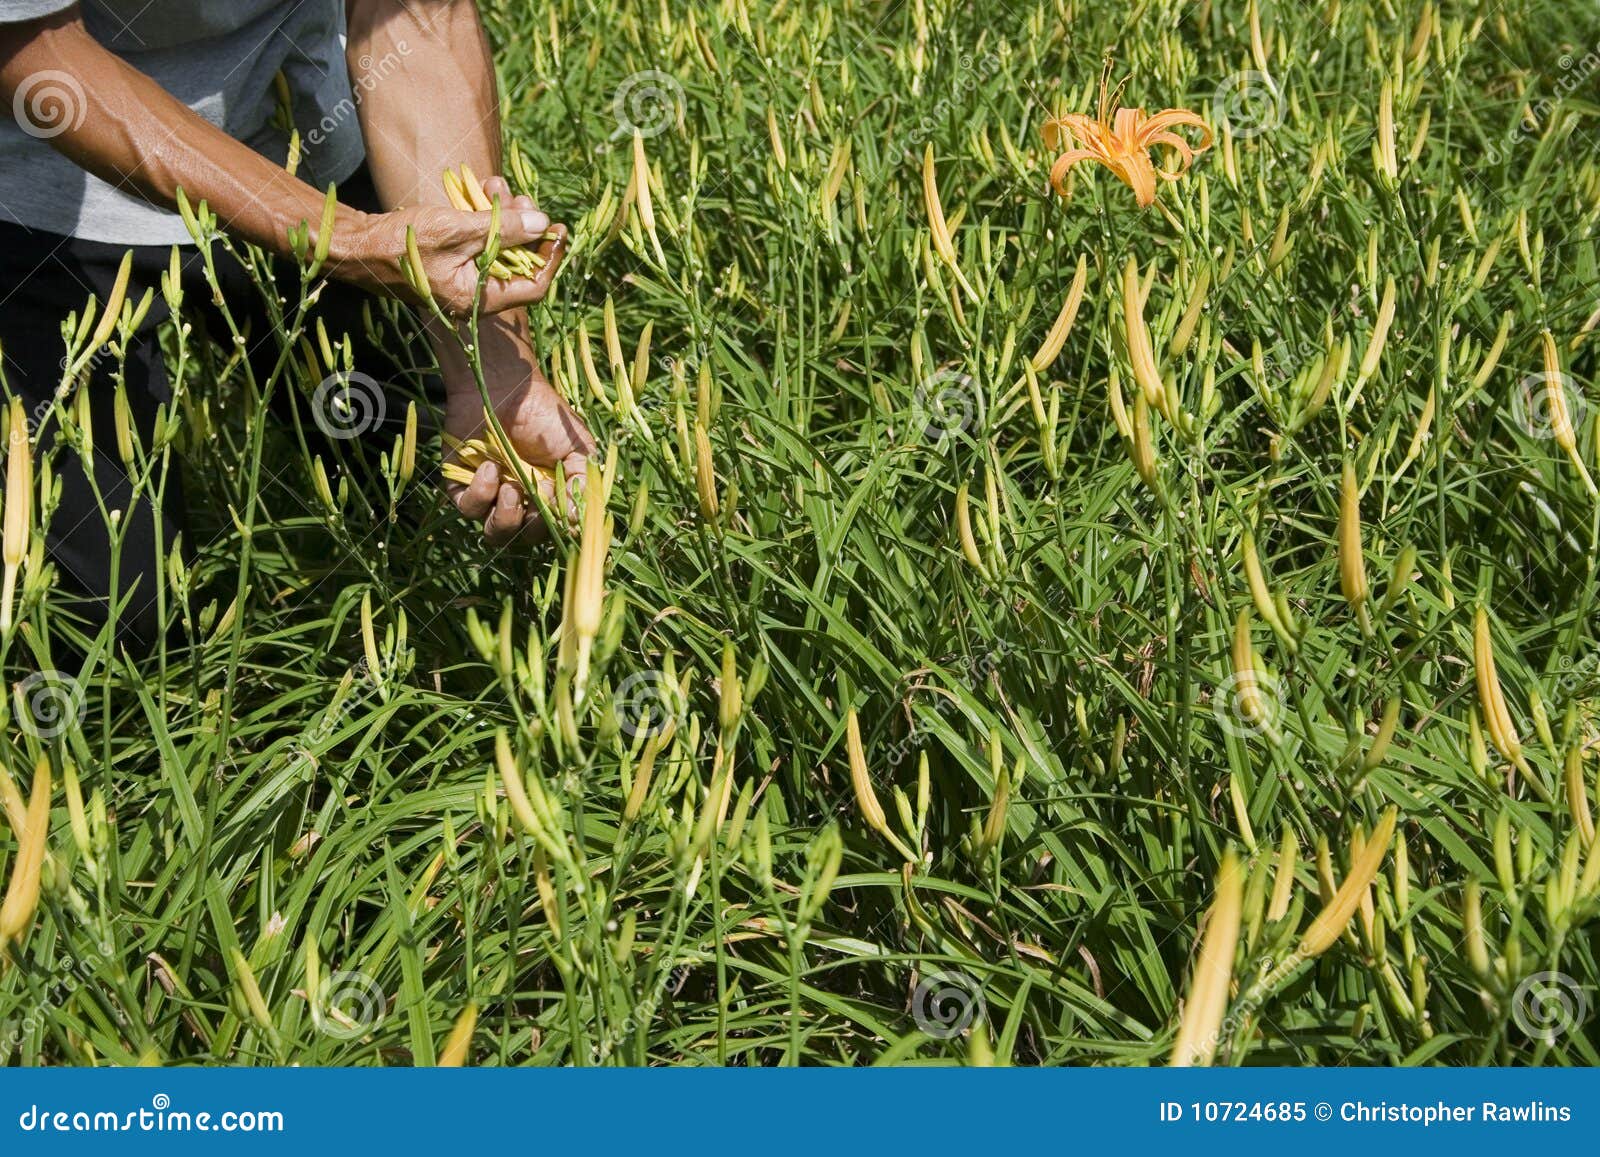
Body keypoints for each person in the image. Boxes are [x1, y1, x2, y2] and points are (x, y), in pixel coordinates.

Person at [0, 1, 595, 648]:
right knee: (112, 619)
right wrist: (345, 241)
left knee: (420, 489)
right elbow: (32, 51)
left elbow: (416, 15)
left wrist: (491, 365)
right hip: (43, 198)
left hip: (302, 140)